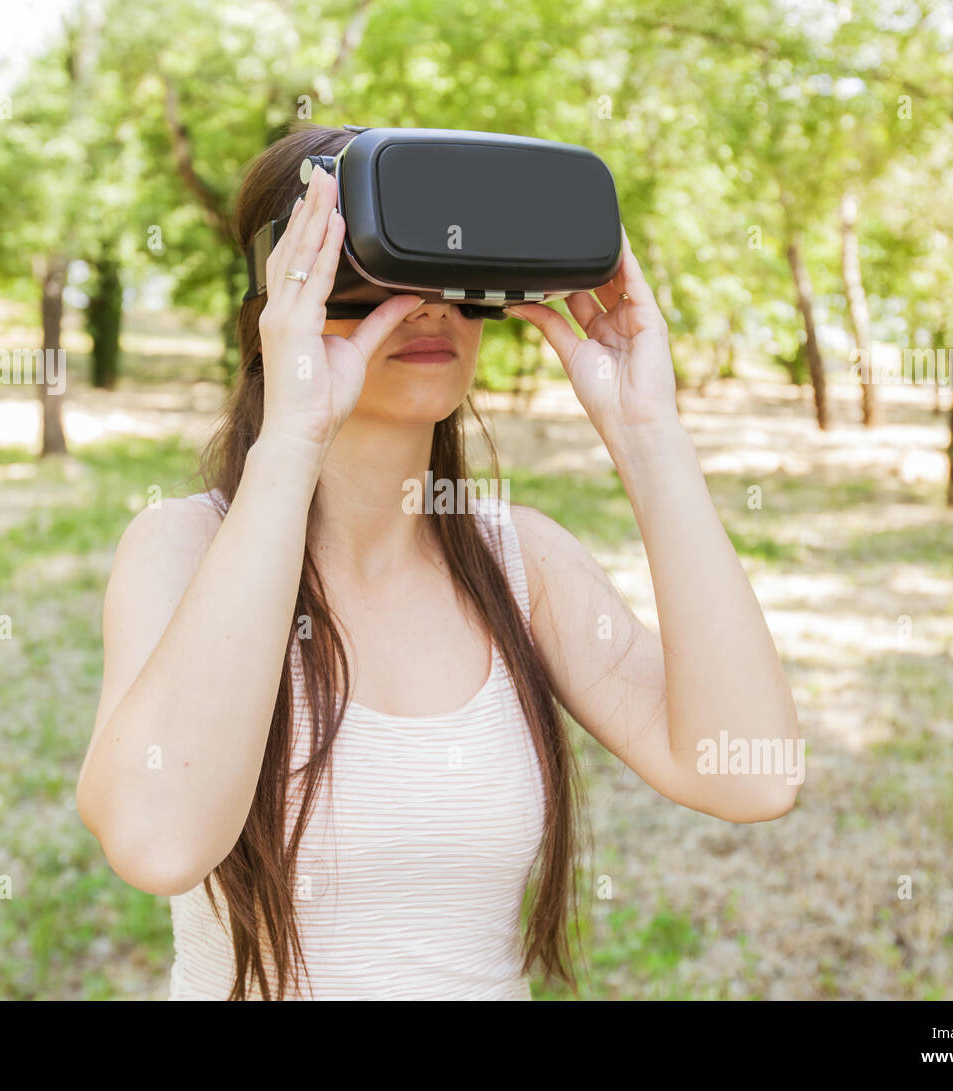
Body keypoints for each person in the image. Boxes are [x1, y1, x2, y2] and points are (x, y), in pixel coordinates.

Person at [75, 124, 800, 1000]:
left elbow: (751, 770)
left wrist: (650, 435)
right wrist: (294, 433)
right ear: (286, 294)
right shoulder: (183, 547)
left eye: (453, 275)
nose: (430, 306)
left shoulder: (520, 563)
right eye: (383, 268)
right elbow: (158, 840)